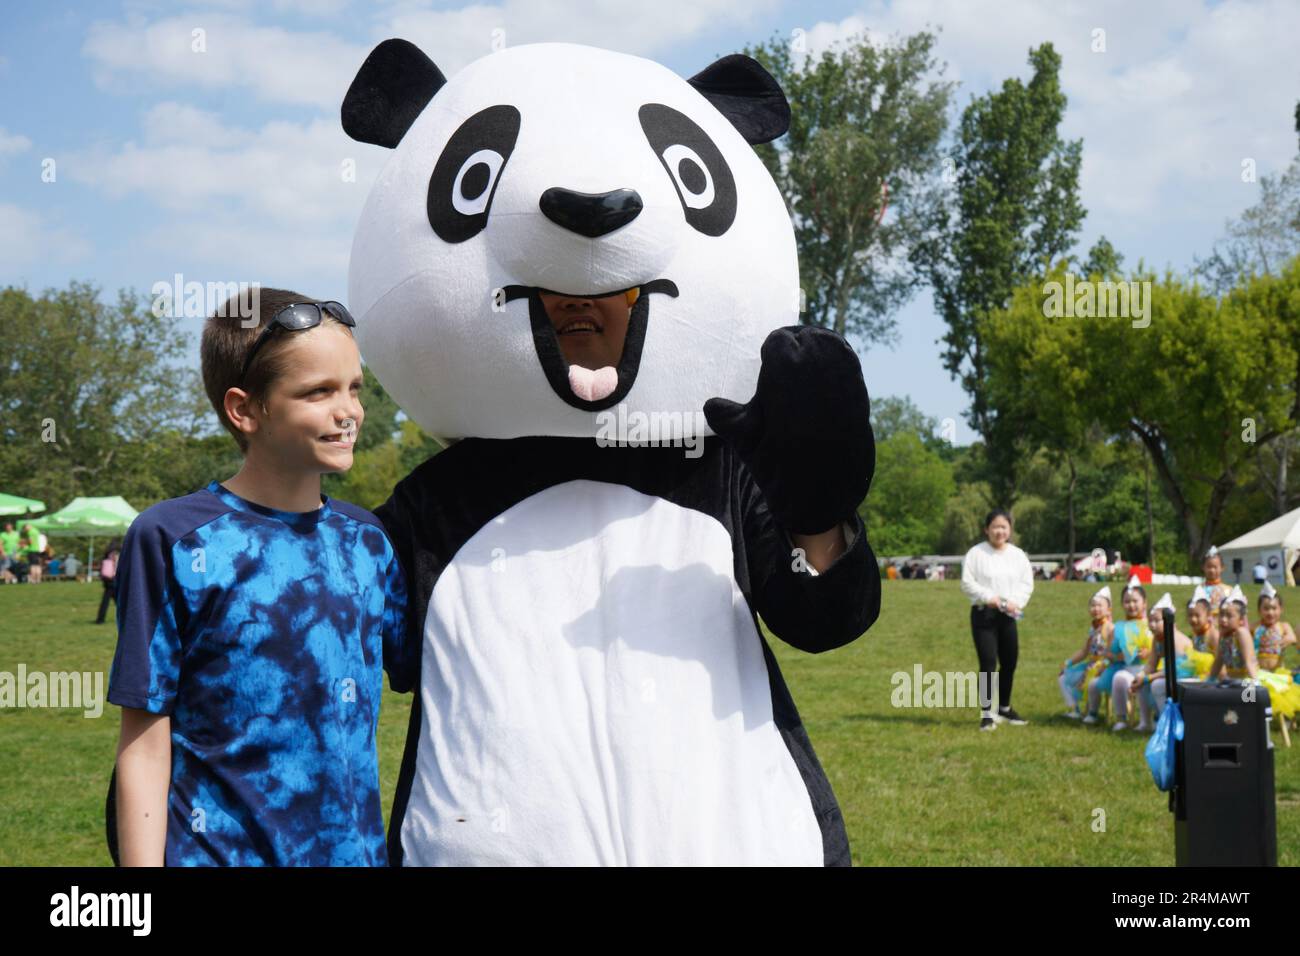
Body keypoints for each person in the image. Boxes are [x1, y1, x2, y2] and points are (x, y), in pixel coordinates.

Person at [107, 289, 408, 866]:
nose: (348, 410)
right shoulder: (172, 537)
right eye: (318, 391)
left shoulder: (368, 541)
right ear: (244, 409)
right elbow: (144, 743)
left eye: (353, 387)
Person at [961, 508, 1034, 730]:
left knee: (1010, 661)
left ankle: (1004, 708)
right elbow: (967, 582)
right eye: (995, 527)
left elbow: (1026, 583)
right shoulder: (976, 554)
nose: (999, 531)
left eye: (1003, 527)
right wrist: (990, 598)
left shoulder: (1018, 555)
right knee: (988, 663)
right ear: (987, 530)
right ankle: (986, 713)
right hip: (984, 615)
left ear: (1009, 529)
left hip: (1008, 615)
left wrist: (1013, 602)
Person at [1083, 577, 1150, 730]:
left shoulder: (1149, 624)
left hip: (1146, 669)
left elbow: (1158, 647)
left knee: (1125, 678)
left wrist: (1148, 652)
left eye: (1135, 601)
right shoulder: (1119, 627)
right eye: (1127, 602)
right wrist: (1113, 658)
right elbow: (1109, 651)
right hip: (1126, 668)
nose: (1131, 605)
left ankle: (1146, 720)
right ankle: (1121, 718)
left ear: (1144, 603)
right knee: (1117, 678)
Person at [1134, 593, 1195, 730]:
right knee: (1142, 683)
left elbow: (1175, 669)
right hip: (1169, 675)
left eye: (1157, 621)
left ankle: (1167, 724)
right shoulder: (1158, 639)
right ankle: (1146, 722)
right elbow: (1151, 663)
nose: (1152, 625)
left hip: (1184, 676)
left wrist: (1149, 677)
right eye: (1150, 621)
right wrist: (1141, 676)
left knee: (1156, 685)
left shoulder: (1176, 639)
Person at [1058, 585, 1113, 718]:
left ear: (1108, 609)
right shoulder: (1093, 628)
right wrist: (1068, 662)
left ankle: (1092, 713)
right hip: (1090, 664)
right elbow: (1084, 651)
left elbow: (1112, 653)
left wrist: (1104, 665)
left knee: (1092, 678)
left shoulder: (1110, 628)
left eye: (1100, 605)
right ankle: (1074, 709)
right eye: (1093, 605)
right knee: (1063, 677)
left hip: (1105, 666)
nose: (1096, 609)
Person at [1184, 584, 1219, 679]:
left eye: (1197, 615)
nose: (1193, 619)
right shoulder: (1196, 633)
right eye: (1190, 615)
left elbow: (1220, 660)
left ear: (1208, 615)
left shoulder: (1213, 635)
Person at [94, 544, 119, 624]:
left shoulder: (107, 560)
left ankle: (100, 619)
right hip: (111, 583)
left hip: (110, 583)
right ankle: (100, 619)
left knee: (107, 602)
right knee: (117, 602)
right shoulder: (110, 561)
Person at [1201, 545, 1231, 612]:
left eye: (1215, 567)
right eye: (1209, 567)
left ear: (1222, 568)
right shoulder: (1200, 589)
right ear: (1203, 567)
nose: (1212, 570)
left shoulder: (1228, 590)